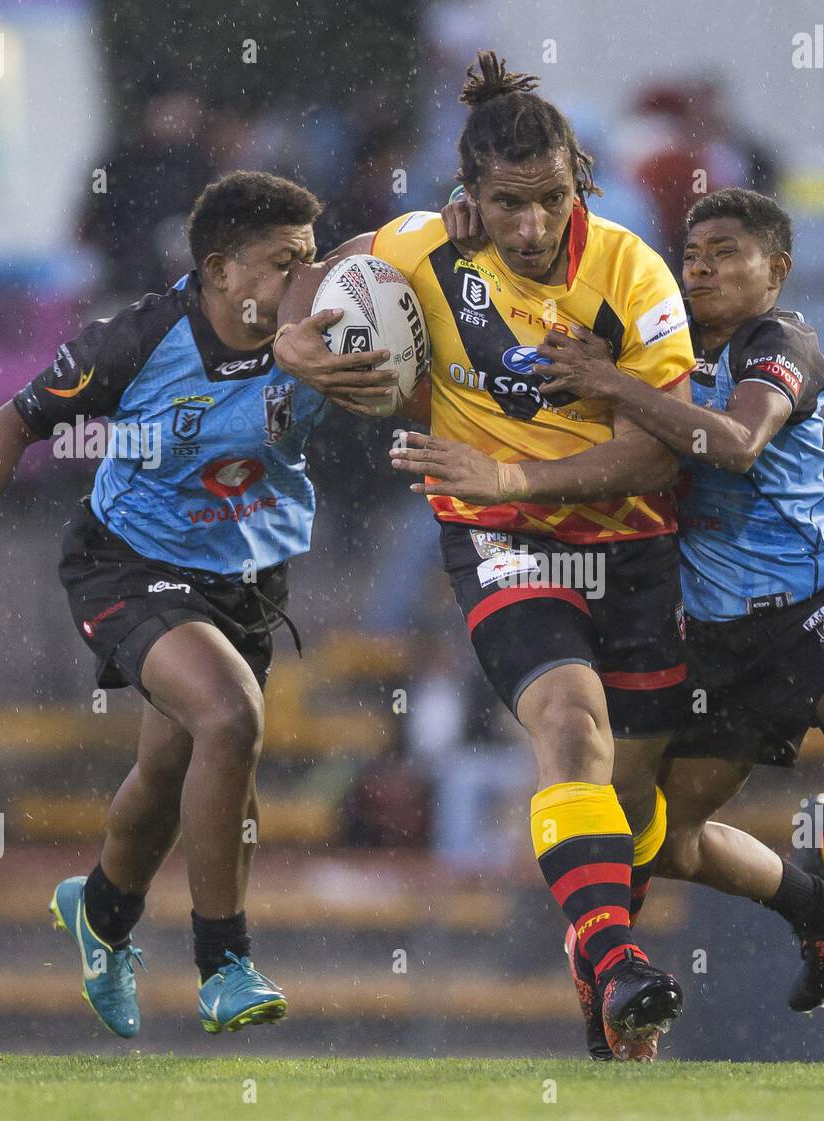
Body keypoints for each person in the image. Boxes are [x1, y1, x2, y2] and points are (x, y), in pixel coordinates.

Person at [392, 188, 824, 1057]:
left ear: (779, 270)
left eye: (726, 251)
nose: (700, 266)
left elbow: (736, 443)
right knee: (657, 834)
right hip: (714, 644)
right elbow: (515, 369)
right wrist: (466, 240)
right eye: (692, 253)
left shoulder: (784, 343)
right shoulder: (658, 349)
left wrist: (609, 383)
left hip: (817, 610)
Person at [274, 51, 694, 1059]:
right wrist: (296, 348)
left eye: (551, 200)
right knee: (568, 726)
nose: (533, 227)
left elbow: (665, 436)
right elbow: (305, 288)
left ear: (577, 180)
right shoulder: (421, 249)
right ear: (469, 199)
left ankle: (605, 947)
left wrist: (517, 477)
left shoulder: (632, 272)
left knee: (634, 807)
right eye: (509, 205)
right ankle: (618, 957)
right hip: (501, 545)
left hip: (630, 546)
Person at [0, 171, 386, 1038]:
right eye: (283, 263)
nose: (306, 278)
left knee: (172, 773)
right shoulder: (136, 339)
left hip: (244, 582)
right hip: (127, 562)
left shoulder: (328, 309)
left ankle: (99, 911)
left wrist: (458, 220)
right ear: (218, 270)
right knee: (229, 717)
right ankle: (225, 960)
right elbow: (12, 420)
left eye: (311, 258)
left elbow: (392, 250)